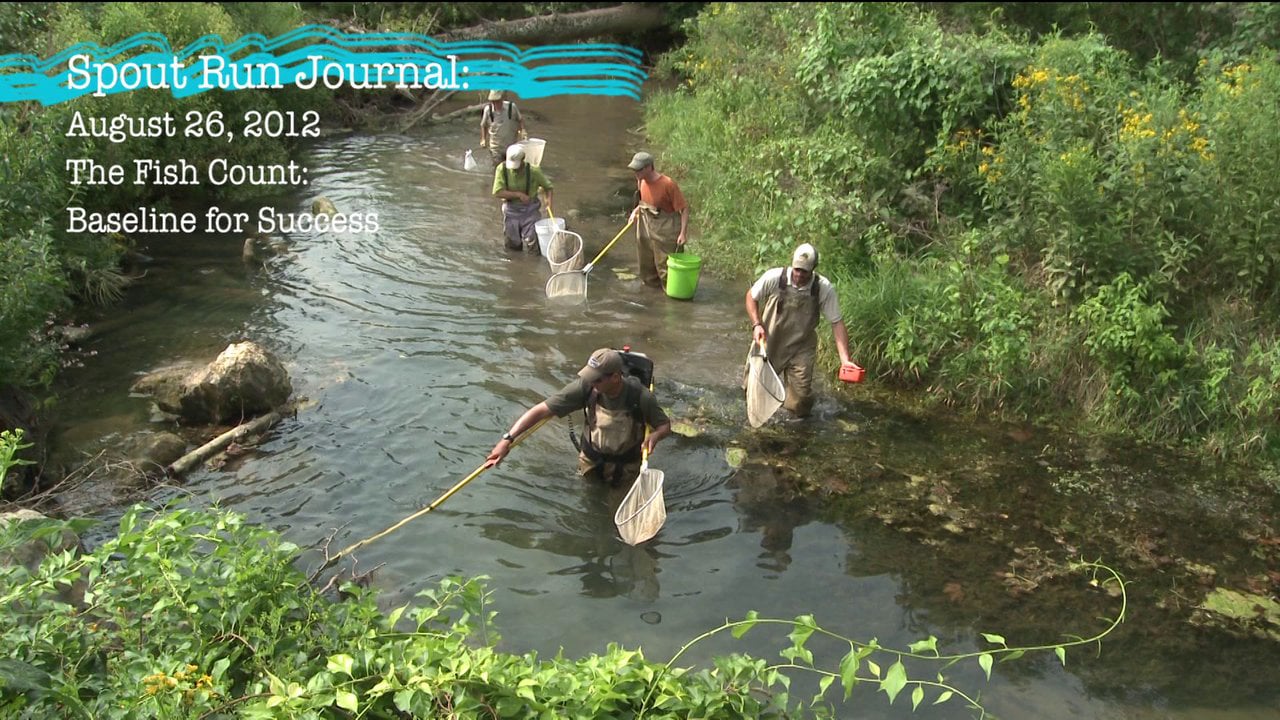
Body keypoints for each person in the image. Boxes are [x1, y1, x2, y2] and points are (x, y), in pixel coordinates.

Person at [485, 348, 672, 485]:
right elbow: (540, 410)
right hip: (591, 461)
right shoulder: (586, 387)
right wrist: (507, 440)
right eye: (589, 376)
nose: (591, 381)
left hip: (626, 468)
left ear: (615, 377)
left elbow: (664, 426)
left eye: (597, 379)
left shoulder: (641, 396)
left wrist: (655, 435)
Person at [744, 243, 858, 418]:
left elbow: (837, 322)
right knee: (754, 391)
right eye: (797, 269)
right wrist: (757, 324)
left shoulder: (823, 288)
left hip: (801, 348)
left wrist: (845, 360)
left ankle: (793, 436)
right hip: (770, 341)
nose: (798, 275)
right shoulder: (775, 277)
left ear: (813, 269)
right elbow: (751, 296)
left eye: (804, 271)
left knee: (800, 402)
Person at [627, 151, 690, 289]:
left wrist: (683, 233)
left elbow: (684, 209)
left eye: (639, 170)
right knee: (647, 265)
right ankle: (652, 297)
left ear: (649, 167)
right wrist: (636, 211)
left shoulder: (668, 184)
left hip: (666, 227)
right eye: (634, 170)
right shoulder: (641, 181)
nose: (636, 173)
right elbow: (643, 200)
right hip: (646, 223)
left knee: (665, 268)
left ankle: (672, 297)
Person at [493, 144, 554, 253]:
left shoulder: (534, 171)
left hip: (530, 211)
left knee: (533, 243)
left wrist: (548, 202)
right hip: (511, 211)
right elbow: (497, 192)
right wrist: (518, 195)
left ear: (523, 160)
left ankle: (533, 265)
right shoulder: (502, 169)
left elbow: (548, 187)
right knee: (512, 245)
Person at [479, 90, 526, 165]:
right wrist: (483, 139)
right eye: (493, 101)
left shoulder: (511, 107)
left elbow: (520, 120)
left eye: (497, 101)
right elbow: (483, 125)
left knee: (512, 168)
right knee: (498, 169)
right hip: (496, 148)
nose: (495, 104)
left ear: (502, 99)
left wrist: (523, 131)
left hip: (511, 147)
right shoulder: (488, 110)